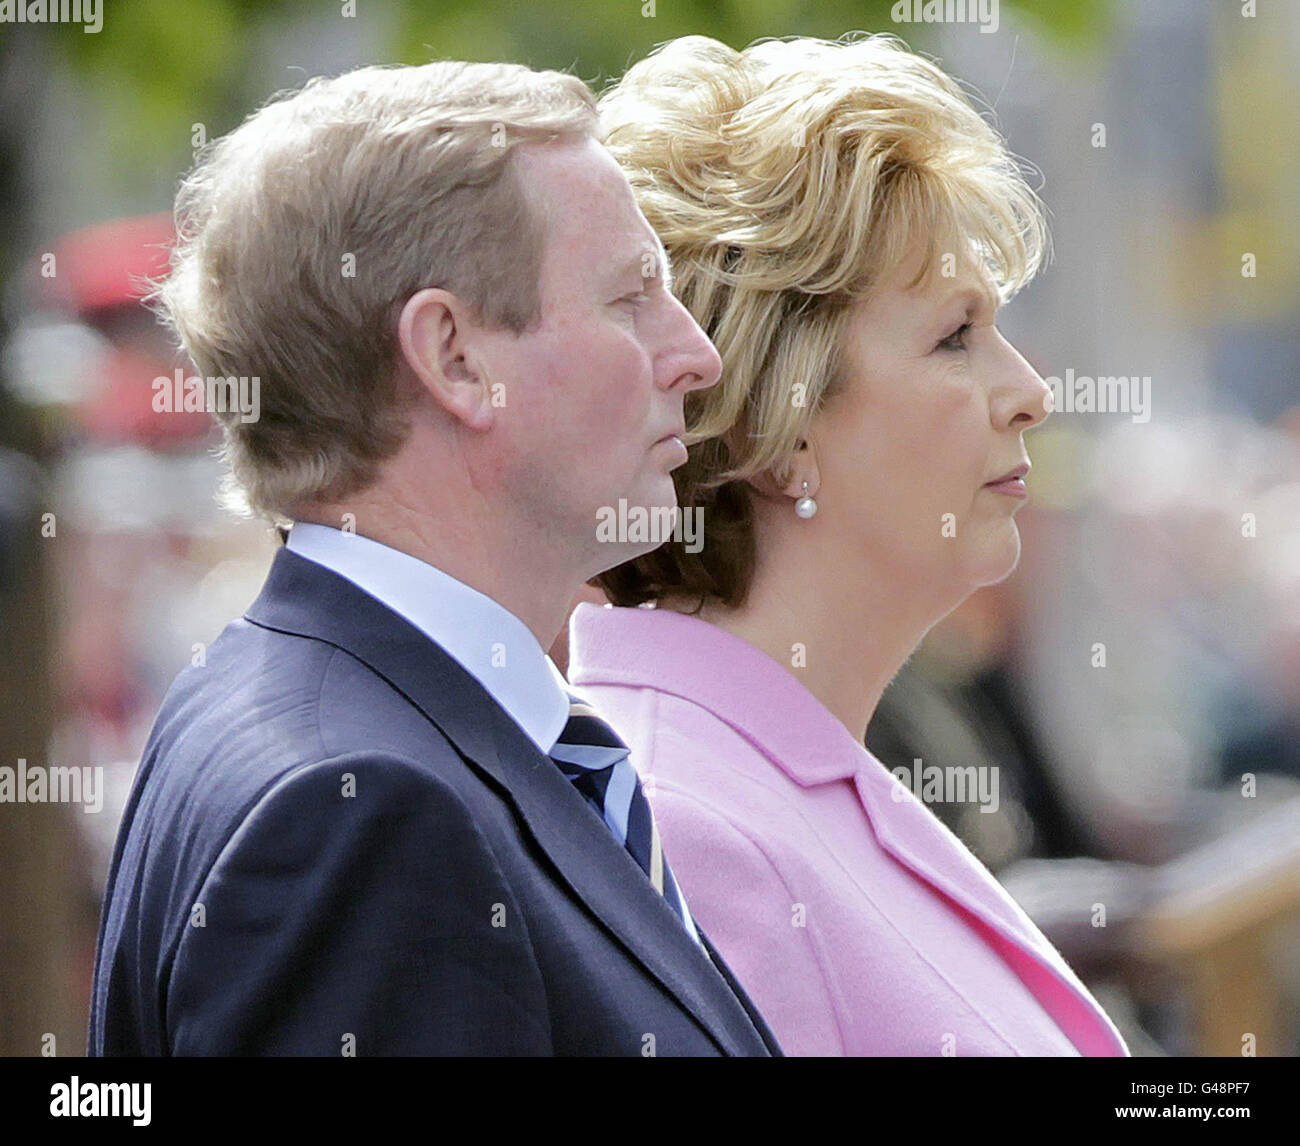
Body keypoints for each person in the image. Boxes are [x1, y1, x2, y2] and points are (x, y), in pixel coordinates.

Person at [88, 59, 782, 1056]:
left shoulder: (331, 721)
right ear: (454, 357)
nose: (695, 356)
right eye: (632, 297)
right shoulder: (360, 808)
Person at [567, 34, 1129, 1056]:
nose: (1030, 393)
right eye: (955, 335)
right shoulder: (687, 828)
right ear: (775, 429)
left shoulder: (777, 774)